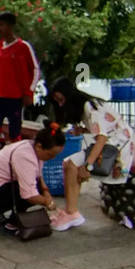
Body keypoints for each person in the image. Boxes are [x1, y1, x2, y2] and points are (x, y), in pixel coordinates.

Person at [0, 119, 70, 239]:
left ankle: (10, 214)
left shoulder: (33, 148)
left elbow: (38, 176)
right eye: (50, 154)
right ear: (39, 146)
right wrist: (47, 202)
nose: (51, 158)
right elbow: (29, 194)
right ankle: (8, 216)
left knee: (35, 185)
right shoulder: (24, 155)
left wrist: (46, 192)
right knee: (28, 191)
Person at [39, 72, 95, 229]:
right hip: (105, 144)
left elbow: (103, 136)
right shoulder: (84, 109)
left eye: (61, 100)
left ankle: (72, 212)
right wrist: (83, 130)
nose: (61, 105)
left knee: (72, 165)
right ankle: (72, 212)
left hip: (115, 148)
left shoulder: (89, 107)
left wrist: (88, 165)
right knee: (68, 164)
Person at [0, 11, 35, 144]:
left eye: (2, 25)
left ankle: (14, 150)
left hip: (15, 96)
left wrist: (29, 92)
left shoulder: (23, 47)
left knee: (15, 129)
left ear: (10, 26)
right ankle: (1, 146)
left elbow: (35, 69)